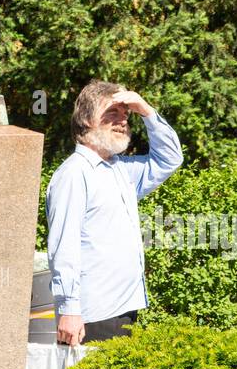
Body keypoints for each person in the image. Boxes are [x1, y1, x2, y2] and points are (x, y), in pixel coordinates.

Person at [46, 81, 183, 346]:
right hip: (90, 317)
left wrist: (146, 111)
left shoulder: (122, 171)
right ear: (86, 118)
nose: (122, 121)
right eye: (112, 113)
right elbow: (64, 247)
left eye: (125, 115)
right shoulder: (74, 173)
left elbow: (170, 159)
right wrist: (69, 309)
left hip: (125, 310)